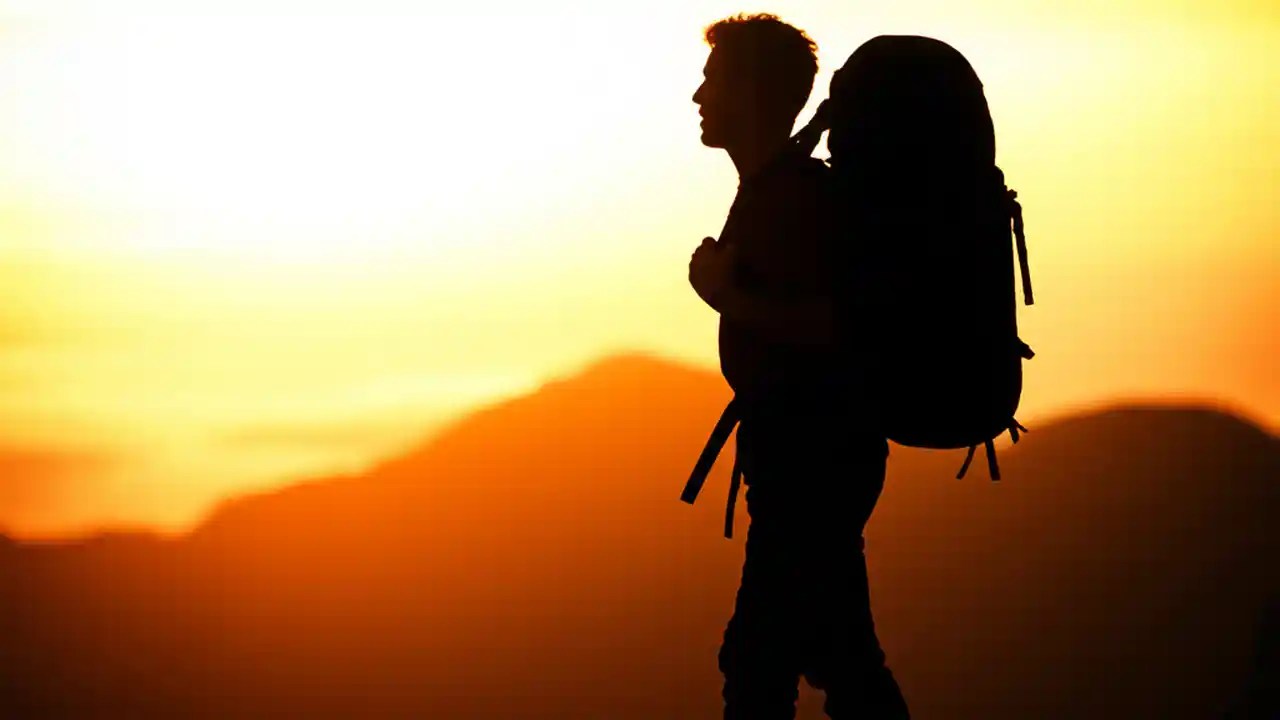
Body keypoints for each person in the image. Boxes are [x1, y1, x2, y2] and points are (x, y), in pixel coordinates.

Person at [685, 13, 910, 719]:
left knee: (758, 663)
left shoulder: (792, 200)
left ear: (749, 92)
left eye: (712, 80)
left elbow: (833, 325)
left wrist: (723, 296)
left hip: (812, 469)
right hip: (809, 467)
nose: (697, 96)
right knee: (841, 657)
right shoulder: (781, 188)